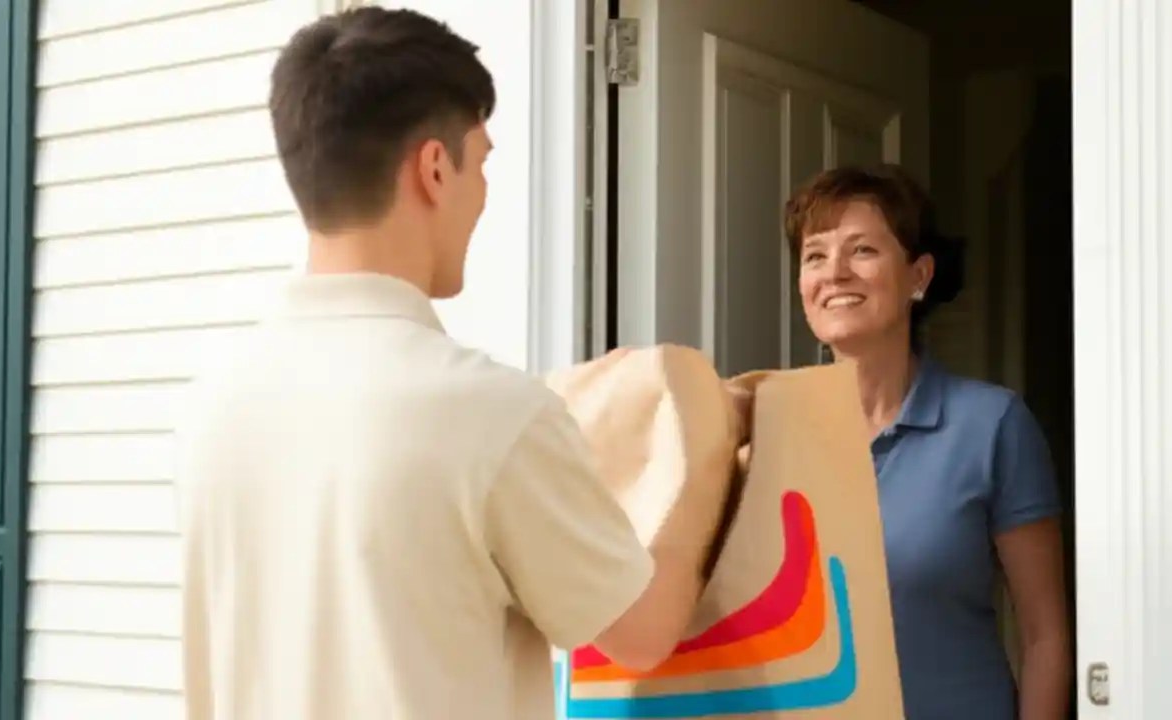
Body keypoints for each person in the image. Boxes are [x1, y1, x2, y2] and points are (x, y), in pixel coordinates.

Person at [175, 8, 736, 719]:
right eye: (484, 161)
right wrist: (708, 449)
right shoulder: (493, 413)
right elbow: (643, 632)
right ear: (435, 169)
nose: (484, 192)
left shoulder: (212, 402)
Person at [783, 165, 1071, 719]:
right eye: (815, 255)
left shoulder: (992, 425)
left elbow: (1045, 638)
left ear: (919, 276)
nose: (835, 272)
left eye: (862, 250)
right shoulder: (770, 436)